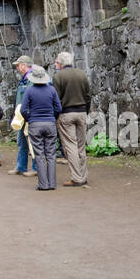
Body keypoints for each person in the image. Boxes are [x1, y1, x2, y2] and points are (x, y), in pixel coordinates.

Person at [53, 52, 91, 187]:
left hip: (66, 113)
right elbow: (88, 95)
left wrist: (56, 115)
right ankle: (83, 175)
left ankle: (76, 177)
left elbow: (56, 99)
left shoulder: (58, 76)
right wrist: (86, 111)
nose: (55, 64)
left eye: (56, 62)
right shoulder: (81, 74)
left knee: (70, 146)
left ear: (61, 63)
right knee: (81, 146)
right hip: (81, 112)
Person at [21, 65, 61, 190]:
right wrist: (53, 118)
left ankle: (43, 184)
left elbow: (23, 109)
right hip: (50, 123)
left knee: (39, 154)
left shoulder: (29, 90)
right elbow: (58, 108)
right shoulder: (52, 90)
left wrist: (29, 119)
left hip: (35, 124)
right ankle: (52, 183)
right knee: (51, 154)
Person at [9, 55, 33, 176]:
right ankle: (21, 166)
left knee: (32, 142)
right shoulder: (24, 79)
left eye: (18, 65)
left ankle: (35, 168)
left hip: (29, 115)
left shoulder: (31, 78)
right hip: (21, 115)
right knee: (21, 141)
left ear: (24, 65)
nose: (17, 68)